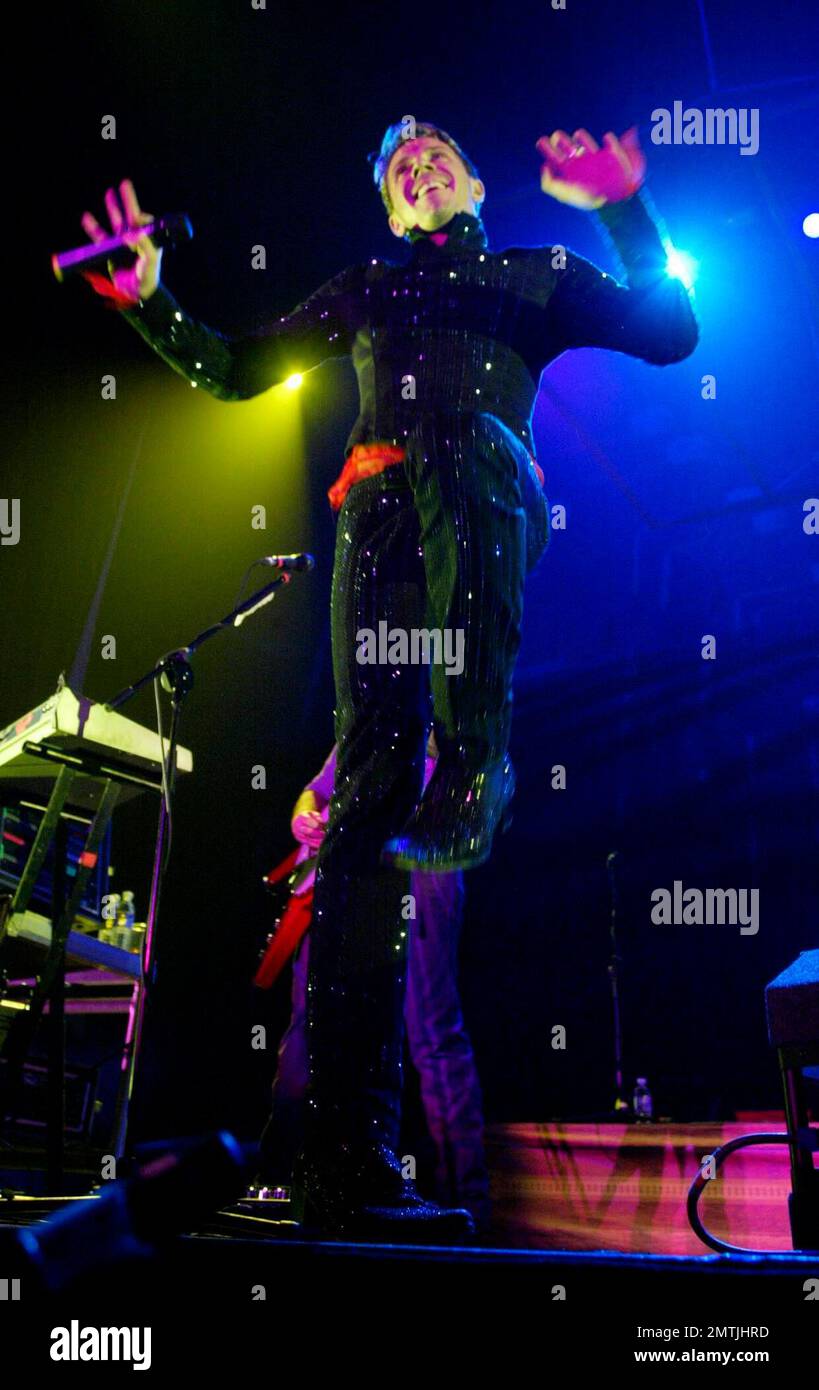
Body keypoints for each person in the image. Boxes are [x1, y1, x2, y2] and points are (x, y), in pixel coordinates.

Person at [79, 117, 698, 1237]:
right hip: (382, 534)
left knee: (471, 456)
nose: (417, 162)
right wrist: (151, 302)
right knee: (363, 819)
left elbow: (670, 327)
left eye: (437, 150)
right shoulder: (369, 286)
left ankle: (474, 760)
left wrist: (622, 207)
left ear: (469, 179)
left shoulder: (534, 275)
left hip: (485, 505)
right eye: (394, 166)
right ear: (390, 208)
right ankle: (347, 1160)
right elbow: (235, 367)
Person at [255, 736, 491, 1227]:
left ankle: (467, 1201)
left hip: (418, 866)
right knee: (308, 1030)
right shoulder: (363, 721)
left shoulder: (447, 706)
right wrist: (305, 817)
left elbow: (478, 791)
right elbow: (314, 791)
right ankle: (279, 1184)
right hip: (343, 875)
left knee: (431, 1033)